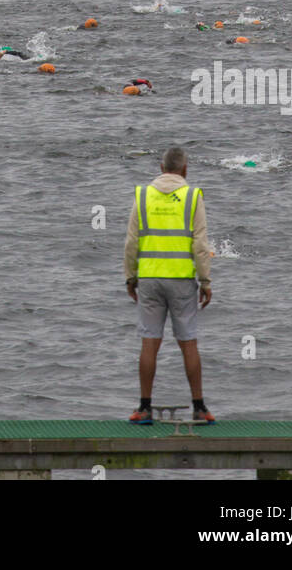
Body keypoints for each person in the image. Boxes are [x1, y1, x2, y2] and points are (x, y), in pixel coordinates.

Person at [124, 146, 214, 424]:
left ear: (161, 168)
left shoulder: (143, 195)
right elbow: (200, 245)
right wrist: (205, 281)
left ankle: (144, 408)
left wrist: (130, 276)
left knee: (150, 342)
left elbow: (131, 242)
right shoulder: (191, 196)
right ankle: (199, 407)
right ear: (185, 169)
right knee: (188, 342)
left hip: (149, 279)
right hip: (182, 280)